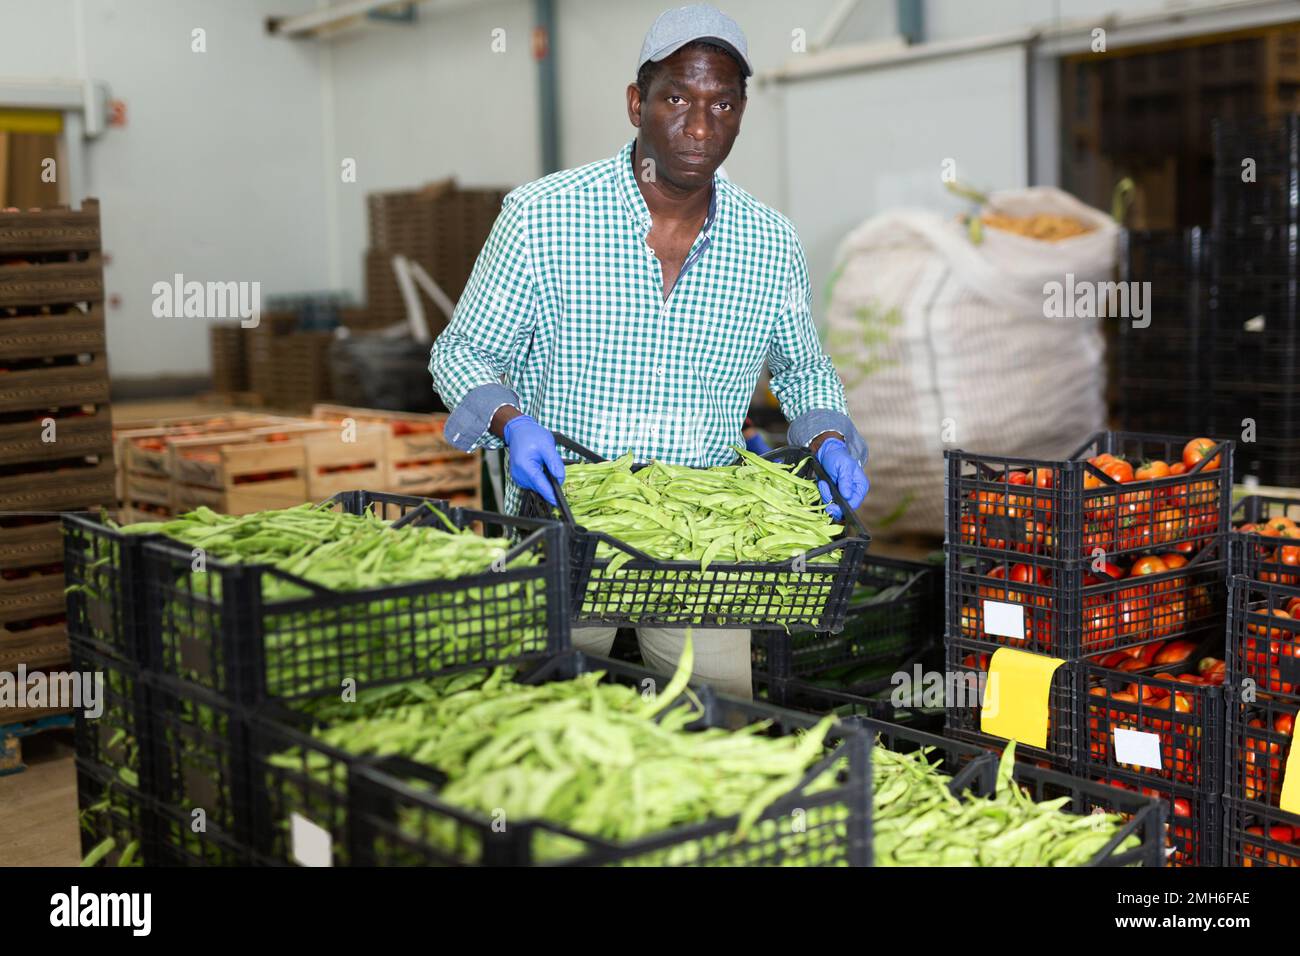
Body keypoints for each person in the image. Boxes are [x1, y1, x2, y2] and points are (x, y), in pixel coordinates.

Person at [429, 3, 868, 699]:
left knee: (715, 720)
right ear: (637, 103)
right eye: (677, 99)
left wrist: (827, 432)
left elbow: (802, 367)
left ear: (742, 113)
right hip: (567, 524)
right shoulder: (544, 216)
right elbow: (463, 350)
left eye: (722, 103)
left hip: (704, 544)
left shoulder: (769, 242)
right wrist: (510, 423)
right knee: (551, 715)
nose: (700, 126)